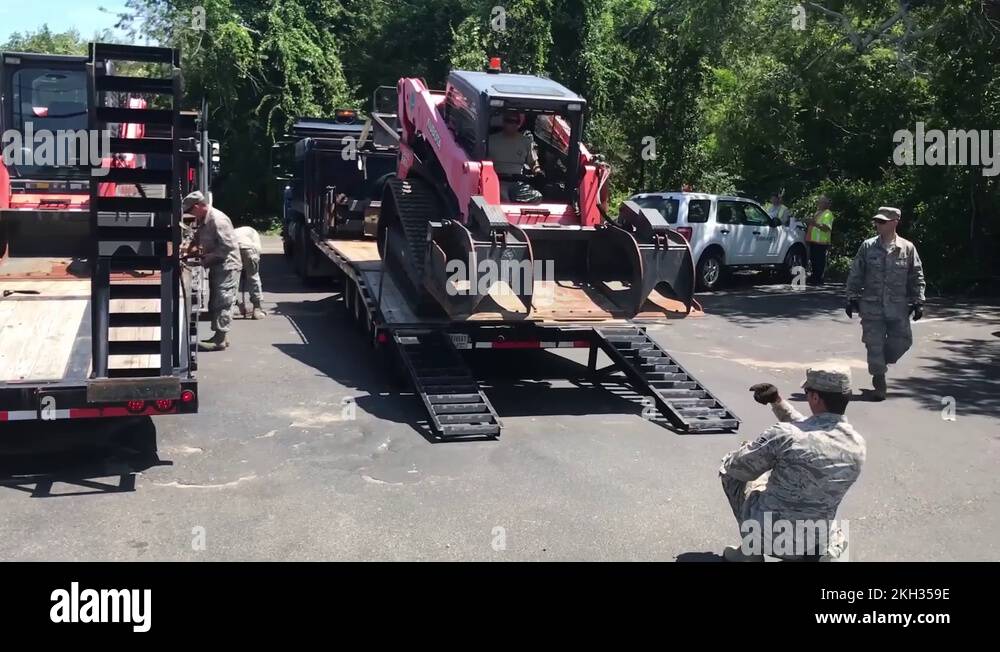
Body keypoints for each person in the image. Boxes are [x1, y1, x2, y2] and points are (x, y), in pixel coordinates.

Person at [719, 367, 866, 562]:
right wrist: (777, 401)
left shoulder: (784, 435)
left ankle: (751, 550)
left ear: (814, 398)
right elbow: (812, 431)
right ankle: (823, 553)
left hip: (772, 536)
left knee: (731, 471)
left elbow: (737, 468)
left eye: (807, 393)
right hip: (814, 540)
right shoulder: (857, 444)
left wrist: (744, 451)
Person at [845, 206, 925, 400]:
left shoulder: (907, 248)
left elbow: (916, 275)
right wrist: (851, 297)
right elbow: (857, 272)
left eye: (882, 222)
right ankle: (879, 379)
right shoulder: (868, 246)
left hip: (898, 306)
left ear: (895, 222)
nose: (877, 225)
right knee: (874, 344)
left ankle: (881, 361)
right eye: (877, 221)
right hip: (871, 306)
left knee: (903, 341)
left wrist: (918, 301)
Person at [183, 191, 242, 351]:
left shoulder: (218, 220)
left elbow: (228, 246)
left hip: (227, 265)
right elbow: (199, 236)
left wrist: (207, 258)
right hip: (218, 264)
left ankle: (220, 340)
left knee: (223, 301)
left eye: (190, 211)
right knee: (216, 300)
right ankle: (220, 335)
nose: (190, 215)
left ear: (197, 207)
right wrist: (191, 249)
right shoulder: (204, 218)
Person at [488, 110, 542, 202]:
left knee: (536, 197)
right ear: (504, 122)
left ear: (519, 124)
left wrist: (538, 171)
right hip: (498, 181)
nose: (512, 124)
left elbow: (533, 162)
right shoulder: (491, 140)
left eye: (515, 122)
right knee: (503, 199)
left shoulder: (526, 142)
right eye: (509, 121)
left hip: (518, 182)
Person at [234, 225, 266, 319]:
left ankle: (235, 305)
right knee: (253, 276)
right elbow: (257, 251)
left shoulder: (234, 232)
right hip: (249, 249)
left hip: (233, 247)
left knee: (232, 279)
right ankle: (257, 308)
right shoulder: (253, 234)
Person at [805, 195, 835, 284]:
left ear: (826, 204)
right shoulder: (818, 212)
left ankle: (818, 279)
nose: (818, 203)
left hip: (821, 242)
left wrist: (813, 223)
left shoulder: (828, 214)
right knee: (814, 260)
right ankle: (814, 277)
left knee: (819, 261)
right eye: (819, 202)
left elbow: (826, 228)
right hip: (814, 241)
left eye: (821, 202)